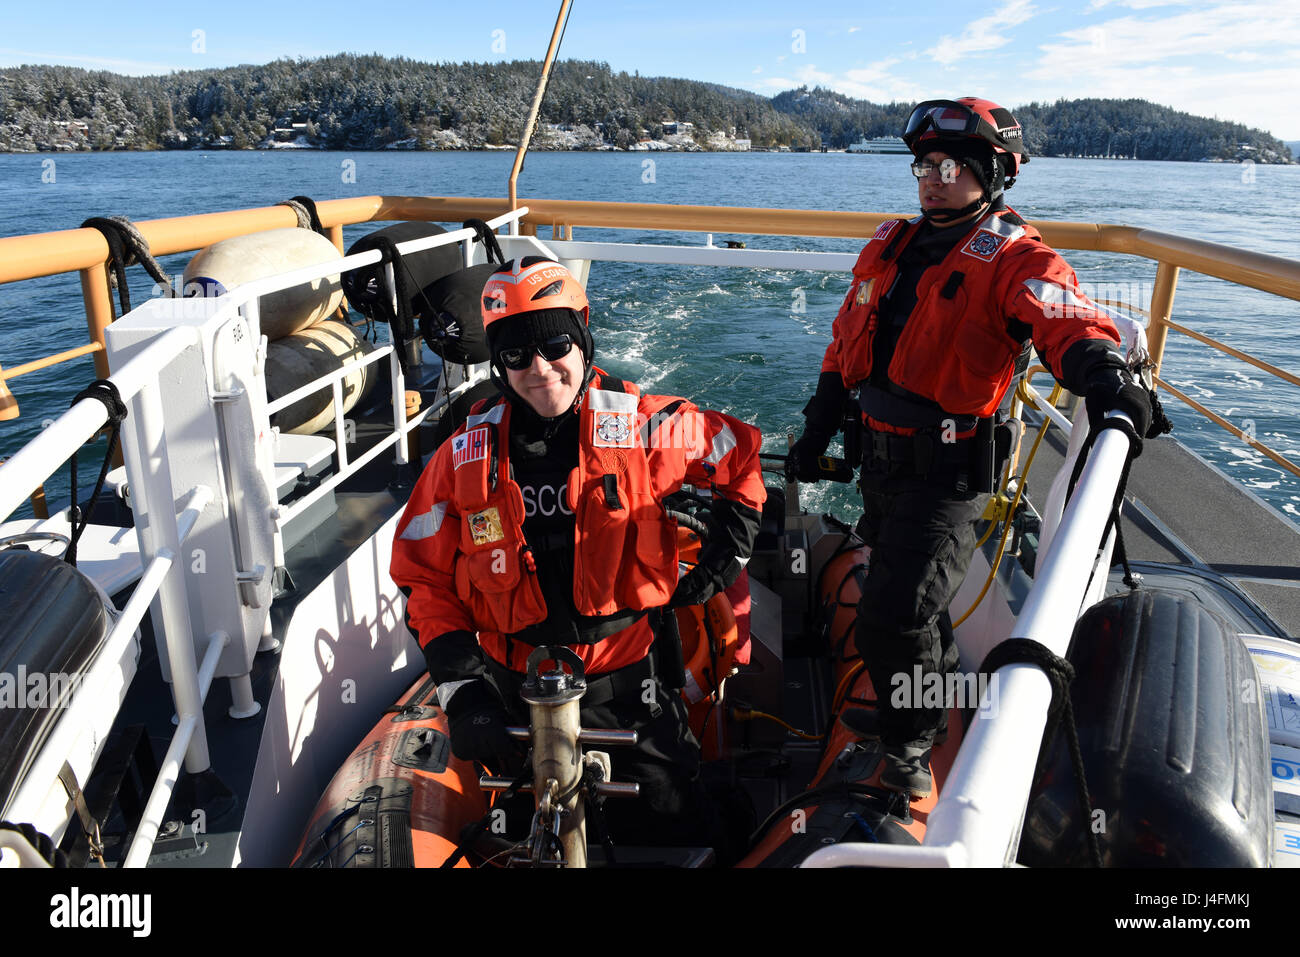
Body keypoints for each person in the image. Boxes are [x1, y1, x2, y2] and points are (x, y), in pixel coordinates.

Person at [787, 98, 1156, 798]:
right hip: (882, 462)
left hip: (949, 476)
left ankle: (911, 748)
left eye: (949, 165)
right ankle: (927, 698)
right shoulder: (891, 246)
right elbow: (844, 346)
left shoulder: (1014, 256)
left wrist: (1105, 375)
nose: (931, 177)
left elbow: (1066, 317)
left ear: (994, 173)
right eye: (923, 164)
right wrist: (818, 425)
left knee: (893, 616)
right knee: (908, 612)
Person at [390, 256, 765, 854]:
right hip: (516, 695)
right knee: (516, 841)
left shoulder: (649, 428)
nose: (539, 370)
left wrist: (727, 553)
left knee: (677, 829)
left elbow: (740, 452)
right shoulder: (461, 455)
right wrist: (465, 691)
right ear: (496, 362)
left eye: (555, 345)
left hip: (631, 687)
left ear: (584, 337)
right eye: (515, 355)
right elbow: (421, 576)